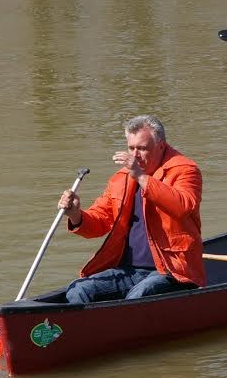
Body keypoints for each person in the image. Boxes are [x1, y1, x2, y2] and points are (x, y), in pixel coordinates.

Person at [58, 115, 205, 304]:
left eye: (142, 149)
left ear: (161, 146)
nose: (134, 155)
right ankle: (81, 330)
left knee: (138, 296)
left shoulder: (185, 170)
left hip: (172, 270)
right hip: (128, 270)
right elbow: (100, 221)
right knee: (78, 290)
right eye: (131, 148)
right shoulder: (121, 178)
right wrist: (75, 214)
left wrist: (142, 177)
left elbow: (183, 206)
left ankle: (115, 329)